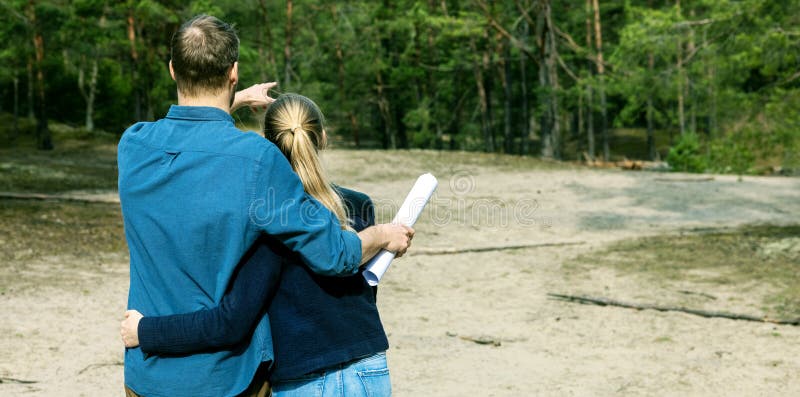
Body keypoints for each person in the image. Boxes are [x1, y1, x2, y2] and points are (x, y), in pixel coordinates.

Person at [118, 15, 412, 397]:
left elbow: (188, 132)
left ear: (173, 69)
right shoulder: (257, 160)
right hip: (224, 380)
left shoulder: (133, 145)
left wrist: (234, 100)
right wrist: (381, 234)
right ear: (233, 72)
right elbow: (334, 255)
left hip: (145, 376)